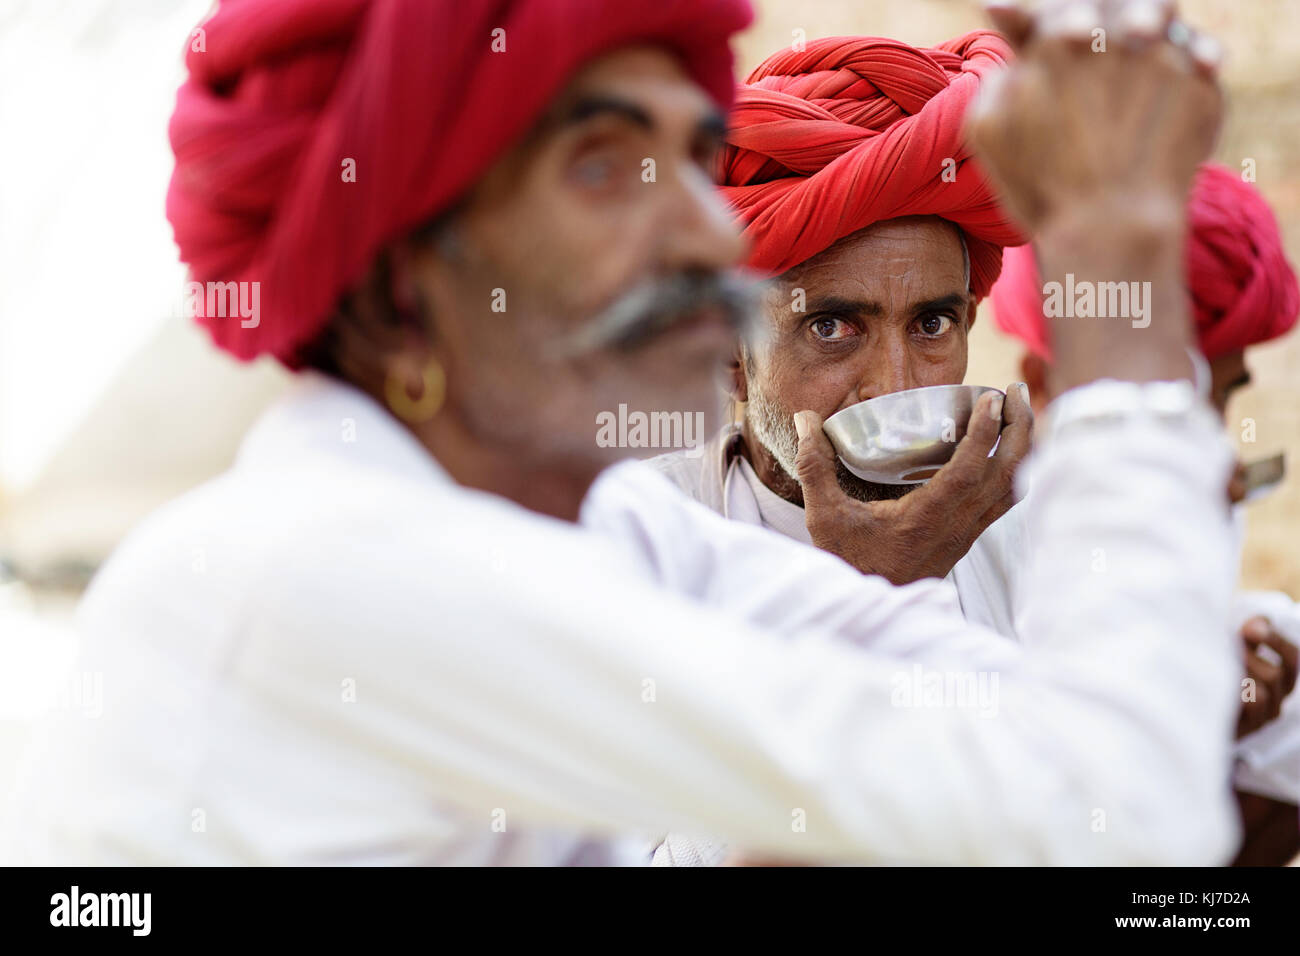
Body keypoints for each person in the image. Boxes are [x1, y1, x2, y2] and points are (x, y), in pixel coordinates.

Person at [2, 0, 1245, 865]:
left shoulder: (608, 524)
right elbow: (1114, 801)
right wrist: (1112, 249)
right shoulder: (329, 562)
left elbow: (1054, 737)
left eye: (693, 162)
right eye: (604, 171)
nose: (706, 236)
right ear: (396, 294)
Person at [989, 162, 1300, 863]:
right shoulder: (962, 539)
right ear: (1044, 384)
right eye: (1183, 405)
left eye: (1223, 400)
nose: (1213, 450)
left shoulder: (1186, 492)